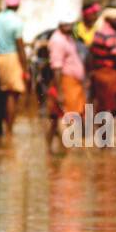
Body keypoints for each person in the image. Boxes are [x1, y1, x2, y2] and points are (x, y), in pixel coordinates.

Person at [0, 0, 26, 135]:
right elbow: (20, 46)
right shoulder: (17, 22)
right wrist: (25, 67)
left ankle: (4, 126)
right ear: (17, 5)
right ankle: (9, 130)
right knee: (12, 94)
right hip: (12, 58)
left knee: (3, 93)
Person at [46, 15, 85, 146]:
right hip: (65, 82)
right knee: (68, 117)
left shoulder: (67, 38)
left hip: (72, 82)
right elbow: (57, 67)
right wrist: (60, 91)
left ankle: (51, 153)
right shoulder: (58, 41)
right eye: (67, 25)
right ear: (60, 25)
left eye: (71, 24)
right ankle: (66, 153)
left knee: (57, 116)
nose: (70, 27)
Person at [90, 7, 116, 121]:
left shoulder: (99, 31)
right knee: (115, 105)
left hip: (99, 72)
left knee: (103, 105)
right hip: (108, 73)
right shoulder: (109, 34)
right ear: (109, 20)